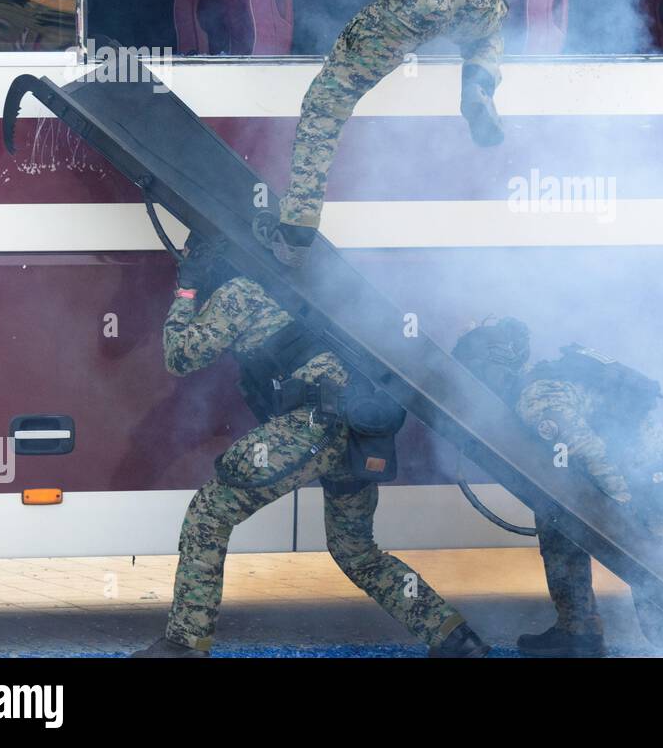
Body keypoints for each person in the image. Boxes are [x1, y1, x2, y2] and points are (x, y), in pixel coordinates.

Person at [133, 234, 488, 658]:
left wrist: (187, 289)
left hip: (311, 423)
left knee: (208, 515)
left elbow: (180, 356)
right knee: (357, 552)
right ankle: (454, 638)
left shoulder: (238, 291)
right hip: (356, 427)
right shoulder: (293, 279)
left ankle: (185, 644)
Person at [254, 0, 508, 267]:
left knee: (325, 104)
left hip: (412, 3)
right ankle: (478, 81)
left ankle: (295, 231)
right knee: (489, 32)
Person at [452, 318, 663, 657]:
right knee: (555, 517)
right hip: (652, 493)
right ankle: (577, 631)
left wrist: (618, 513)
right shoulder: (545, 384)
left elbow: (586, 450)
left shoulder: (536, 396)